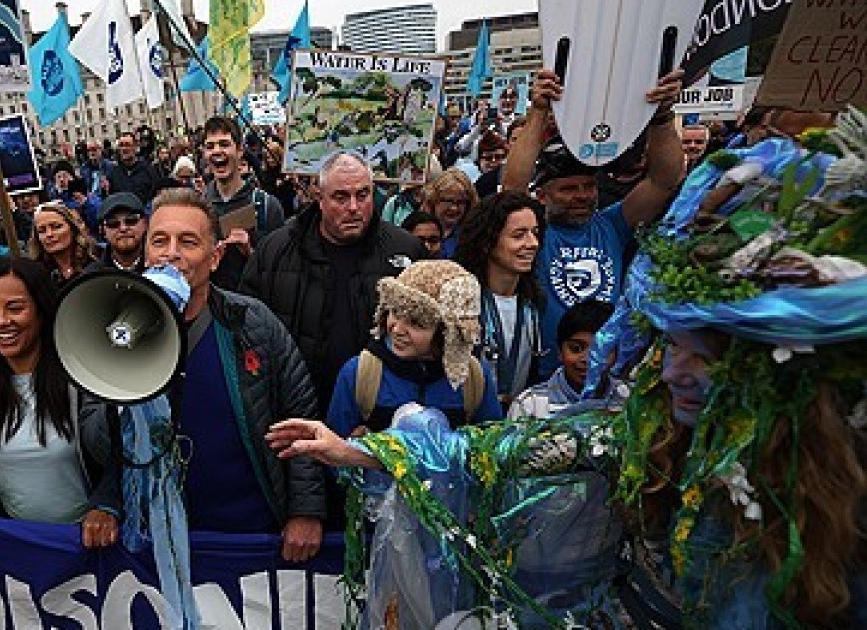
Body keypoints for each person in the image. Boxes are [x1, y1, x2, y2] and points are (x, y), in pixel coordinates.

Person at [270, 113, 867, 628]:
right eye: (670, 347)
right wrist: (362, 454)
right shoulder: (650, 432)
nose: (676, 372)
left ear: (775, 374)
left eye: (704, 356)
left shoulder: (848, 470)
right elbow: (507, 447)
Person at [84, 187, 326, 562]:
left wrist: (305, 511)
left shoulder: (252, 322)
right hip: (161, 536)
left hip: (250, 530)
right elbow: (98, 443)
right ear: (146, 254)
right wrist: (125, 371)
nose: (171, 253)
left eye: (188, 241)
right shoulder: (111, 332)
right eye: (159, 241)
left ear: (214, 258)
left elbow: (301, 413)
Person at [502, 68, 685, 378]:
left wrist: (663, 115)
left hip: (611, 371)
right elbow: (511, 190)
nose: (582, 196)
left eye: (588, 186)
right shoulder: (533, 232)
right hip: (548, 376)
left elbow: (663, 181)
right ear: (543, 195)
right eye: (569, 189)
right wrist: (538, 111)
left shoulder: (612, 224)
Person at [0, 258, 121, 547]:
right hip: (21, 550)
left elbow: (123, 454)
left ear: (43, 310)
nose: (2, 322)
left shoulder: (84, 381)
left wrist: (107, 506)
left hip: (93, 548)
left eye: (15, 308)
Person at [241, 151, 426, 412]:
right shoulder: (275, 251)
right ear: (319, 197)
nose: (353, 207)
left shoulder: (406, 251)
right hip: (297, 412)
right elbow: (248, 335)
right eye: (341, 197)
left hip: (383, 413)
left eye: (362, 195)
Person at [325, 260, 503, 437]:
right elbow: (333, 454)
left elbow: (492, 452)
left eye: (415, 323)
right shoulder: (361, 375)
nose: (397, 329)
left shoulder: (474, 379)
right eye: (395, 312)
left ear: (449, 334)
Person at [452, 191, 547, 407]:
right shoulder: (462, 302)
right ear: (487, 241)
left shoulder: (533, 304)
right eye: (519, 235)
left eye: (535, 233)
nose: (532, 243)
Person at [200, 116, 287, 290]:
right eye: (210, 146)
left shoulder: (267, 206)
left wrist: (250, 253)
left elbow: (282, 275)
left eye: (224, 144)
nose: (217, 151)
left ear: (240, 150)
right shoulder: (197, 208)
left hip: (255, 310)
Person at [507, 299, 624, 419]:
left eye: (600, 352)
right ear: (560, 351)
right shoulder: (530, 405)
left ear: (617, 354)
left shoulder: (628, 400)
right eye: (576, 348)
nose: (588, 360)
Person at [28, 202, 96, 286]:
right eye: (42, 231)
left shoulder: (96, 259)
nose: (49, 234)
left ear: (72, 228)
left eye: (56, 227)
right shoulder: (36, 274)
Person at [423, 169, 478, 258]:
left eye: (460, 202)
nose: (454, 208)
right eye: (448, 201)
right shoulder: (418, 228)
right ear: (434, 200)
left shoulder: (472, 235)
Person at [85, 192, 146, 273]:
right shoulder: (91, 276)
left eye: (131, 220)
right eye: (112, 223)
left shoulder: (162, 269)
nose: (123, 228)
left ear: (145, 224)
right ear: (102, 231)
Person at [108, 131, 160, 204]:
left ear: (135, 147)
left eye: (127, 145)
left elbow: (156, 196)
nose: (124, 149)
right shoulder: (113, 172)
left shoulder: (148, 170)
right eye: (121, 145)